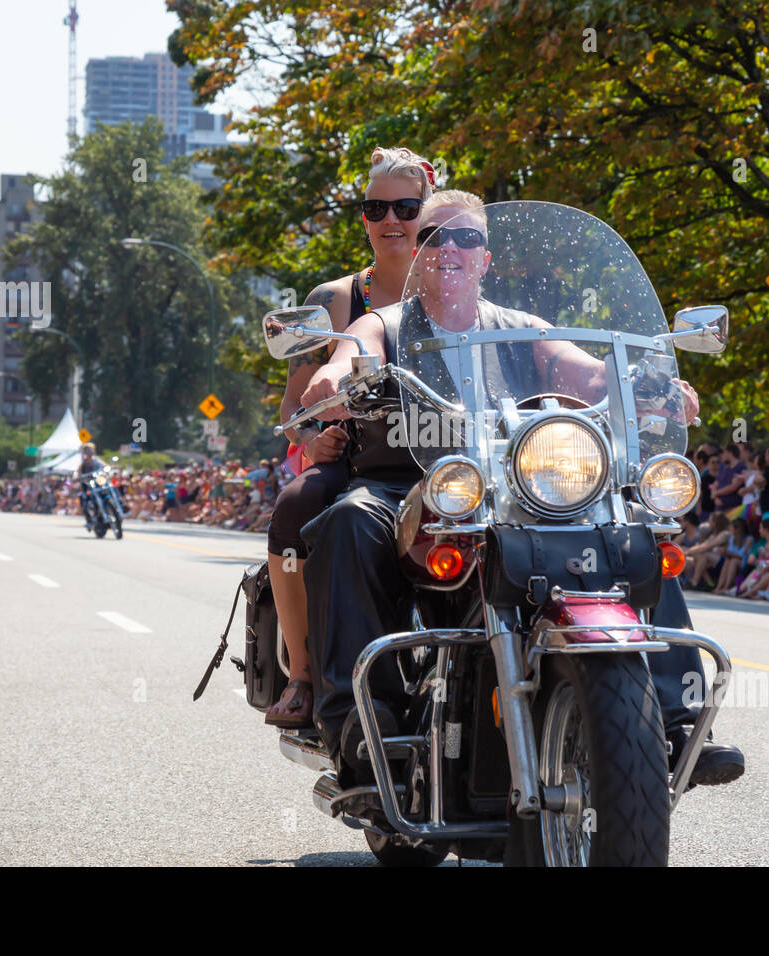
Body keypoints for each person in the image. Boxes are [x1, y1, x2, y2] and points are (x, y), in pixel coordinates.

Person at [298, 189, 741, 786]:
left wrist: (647, 382)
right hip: (406, 484)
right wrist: (335, 377)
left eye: (466, 238)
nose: (449, 248)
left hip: (512, 487)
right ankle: (364, 719)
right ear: (418, 253)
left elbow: (586, 374)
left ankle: (679, 720)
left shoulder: (521, 329)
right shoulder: (386, 323)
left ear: (485, 259)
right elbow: (351, 353)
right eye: (433, 236)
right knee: (349, 518)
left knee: (630, 527)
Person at [264, 160, 437, 725]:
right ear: (364, 219)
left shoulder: (453, 285)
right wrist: (312, 439)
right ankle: (303, 675)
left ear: (428, 214)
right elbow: (294, 407)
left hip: (454, 460)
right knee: (297, 504)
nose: (391, 220)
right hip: (361, 461)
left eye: (406, 208)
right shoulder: (336, 298)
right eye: (376, 208)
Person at [74, 442, 104, 530]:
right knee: (84, 500)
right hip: (88, 485)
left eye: (91, 450)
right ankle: (89, 520)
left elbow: (105, 465)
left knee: (109, 489)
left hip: (98, 484)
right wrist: (75, 476)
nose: (89, 452)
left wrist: (111, 467)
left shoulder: (97, 460)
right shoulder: (83, 463)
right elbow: (77, 471)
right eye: (87, 450)